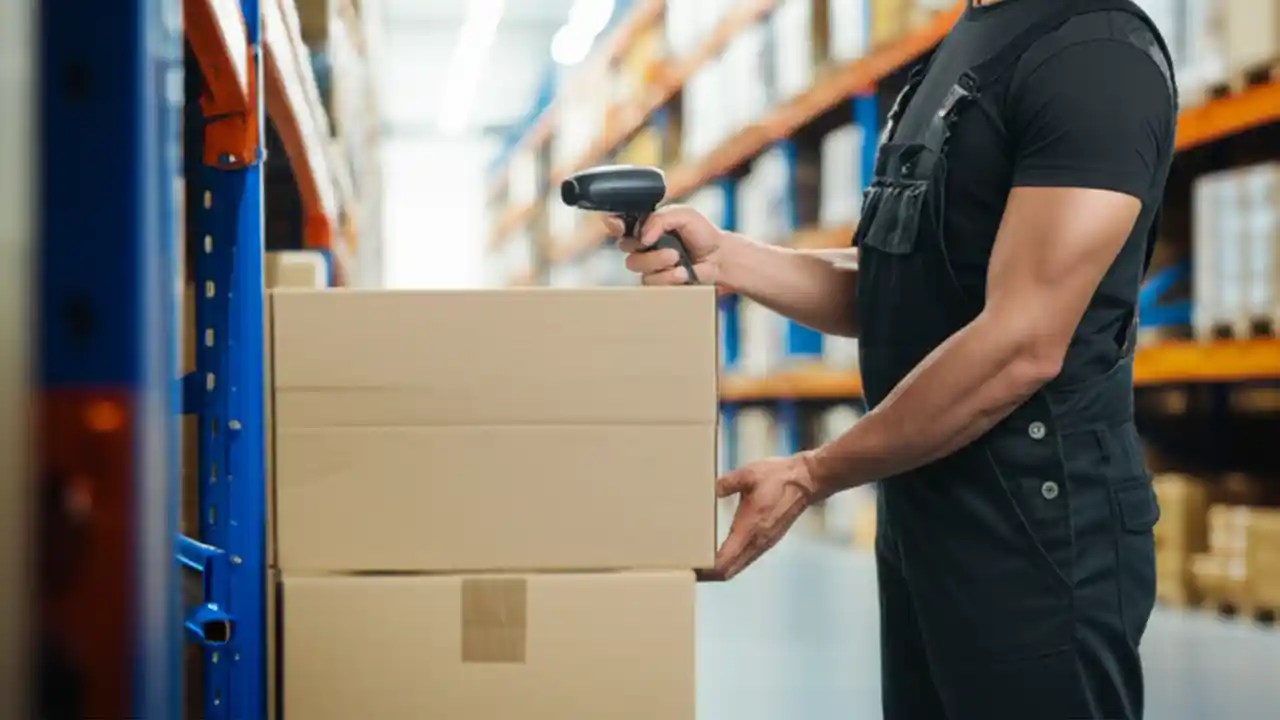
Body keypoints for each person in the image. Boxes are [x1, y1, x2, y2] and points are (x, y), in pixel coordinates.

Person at [602, 0, 1177, 718]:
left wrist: (815, 471)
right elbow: (901, 287)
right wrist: (729, 259)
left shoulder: (1095, 56)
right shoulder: (965, 46)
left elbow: (1021, 344)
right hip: (927, 505)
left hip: (1039, 525)